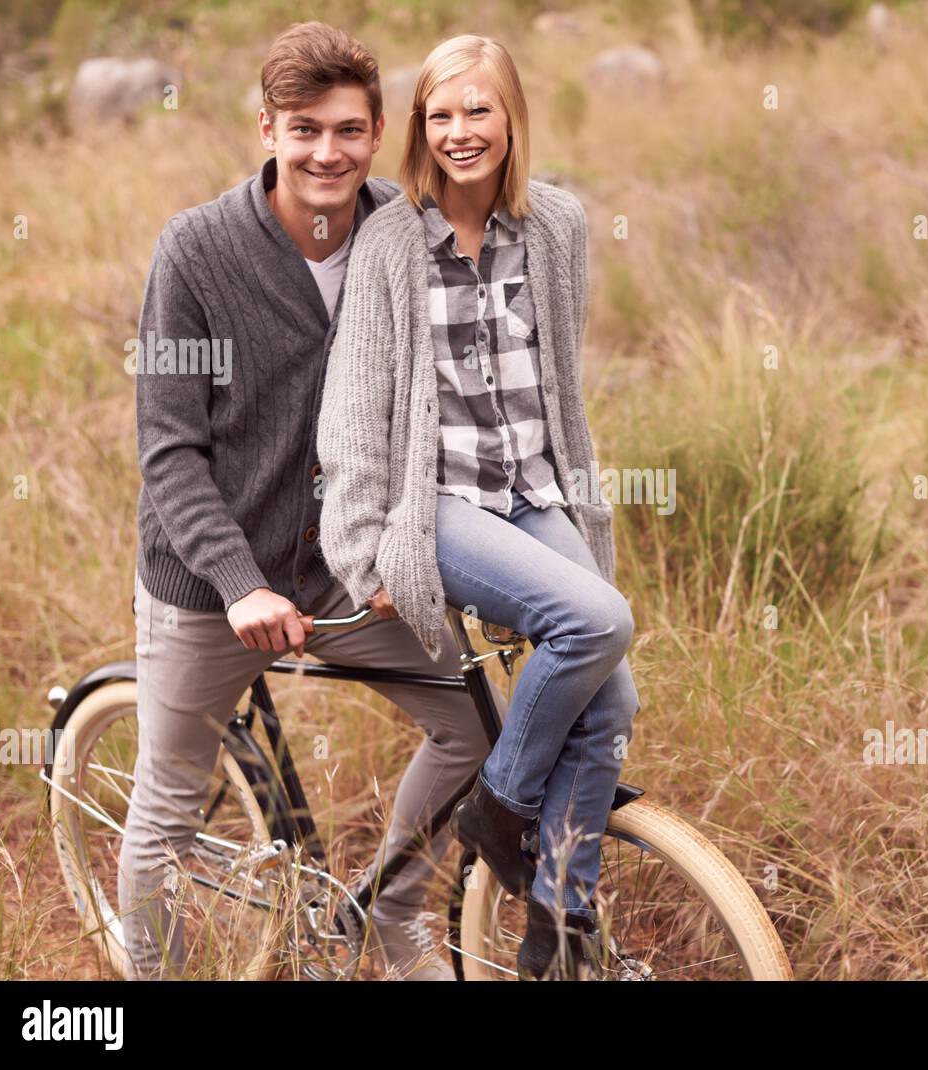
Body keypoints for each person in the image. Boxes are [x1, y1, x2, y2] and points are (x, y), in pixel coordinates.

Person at [121, 21, 497, 981]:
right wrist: (243, 584)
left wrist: (397, 552)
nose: (325, 152)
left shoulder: (402, 234)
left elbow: (436, 410)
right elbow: (169, 452)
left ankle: (393, 908)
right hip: (212, 590)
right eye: (303, 129)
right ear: (267, 130)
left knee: (472, 721)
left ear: (377, 135)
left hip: (349, 574)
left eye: (347, 130)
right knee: (166, 812)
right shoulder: (196, 251)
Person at [317, 33, 641, 980]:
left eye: (479, 110)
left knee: (612, 699)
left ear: (512, 118)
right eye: (441, 114)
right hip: (438, 506)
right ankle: (498, 806)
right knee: (598, 621)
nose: (460, 132)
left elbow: (558, 387)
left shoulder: (558, 227)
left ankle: (558, 924)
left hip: (530, 489)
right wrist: (368, 553)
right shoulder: (387, 244)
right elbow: (352, 413)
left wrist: (575, 513)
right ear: (420, 127)